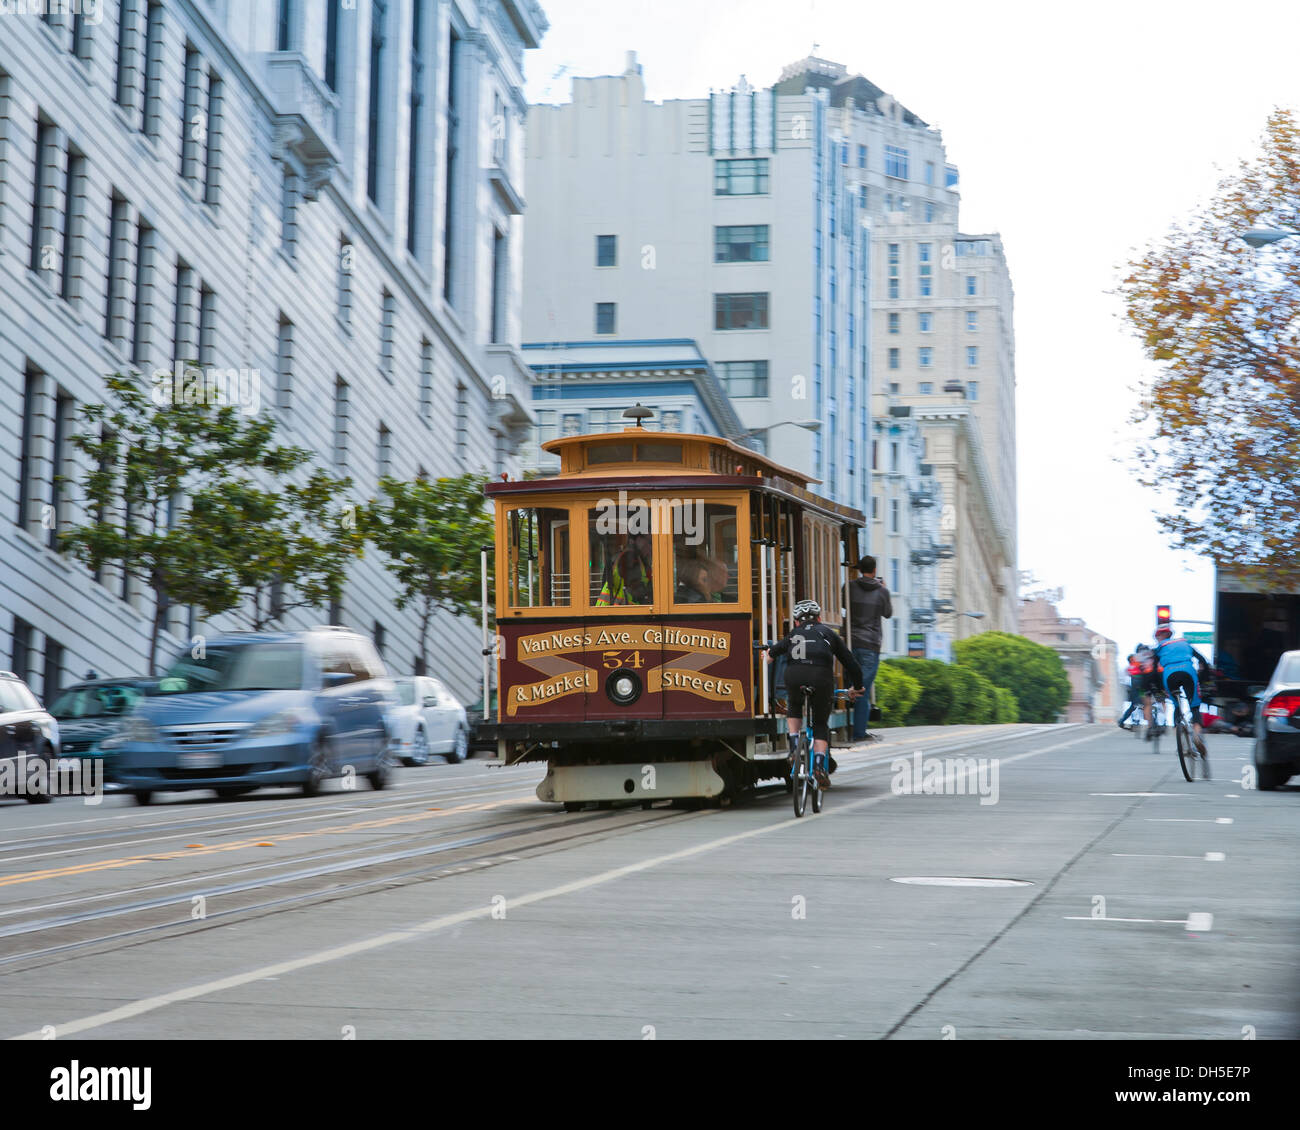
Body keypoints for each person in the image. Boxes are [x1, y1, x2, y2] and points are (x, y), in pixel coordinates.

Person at [765, 599, 864, 788]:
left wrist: (767, 655)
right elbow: (851, 664)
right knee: (820, 722)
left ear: (796, 621)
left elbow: (772, 655)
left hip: (795, 676)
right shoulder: (828, 634)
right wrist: (857, 687)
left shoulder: (793, 634)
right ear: (819, 618)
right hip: (821, 677)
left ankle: (794, 747)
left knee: (794, 706)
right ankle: (818, 765)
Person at [847, 555, 892, 742]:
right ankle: (858, 733)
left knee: (852, 687)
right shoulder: (881, 592)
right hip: (871, 645)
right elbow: (888, 614)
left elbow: (844, 605)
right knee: (861, 690)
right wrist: (883, 588)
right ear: (874, 570)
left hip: (850, 643)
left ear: (859, 569)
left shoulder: (849, 587)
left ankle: (850, 727)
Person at [1152, 624, 1211, 755]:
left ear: (1159, 637)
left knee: (1176, 706)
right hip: (1188, 671)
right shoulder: (1184, 642)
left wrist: (1159, 689)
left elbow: (1154, 671)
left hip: (1169, 674)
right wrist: (1204, 681)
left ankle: (1182, 743)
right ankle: (1196, 735)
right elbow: (1203, 661)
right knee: (1194, 707)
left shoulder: (1160, 647)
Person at [595, 532, 653, 606]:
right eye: (648, 541)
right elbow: (635, 589)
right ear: (637, 539)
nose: (649, 546)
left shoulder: (635, 558)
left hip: (617, 610)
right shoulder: (629, 558)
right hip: (621, 611)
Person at [1117, 654, 1145, 730]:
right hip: (1140, 686)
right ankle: (1138, 721)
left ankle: (1123, 721)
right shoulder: (1139, 664)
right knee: (1144, 703)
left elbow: (1125, 680)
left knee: (1133, 706)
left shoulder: (1128, 668)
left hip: (1132, 687)